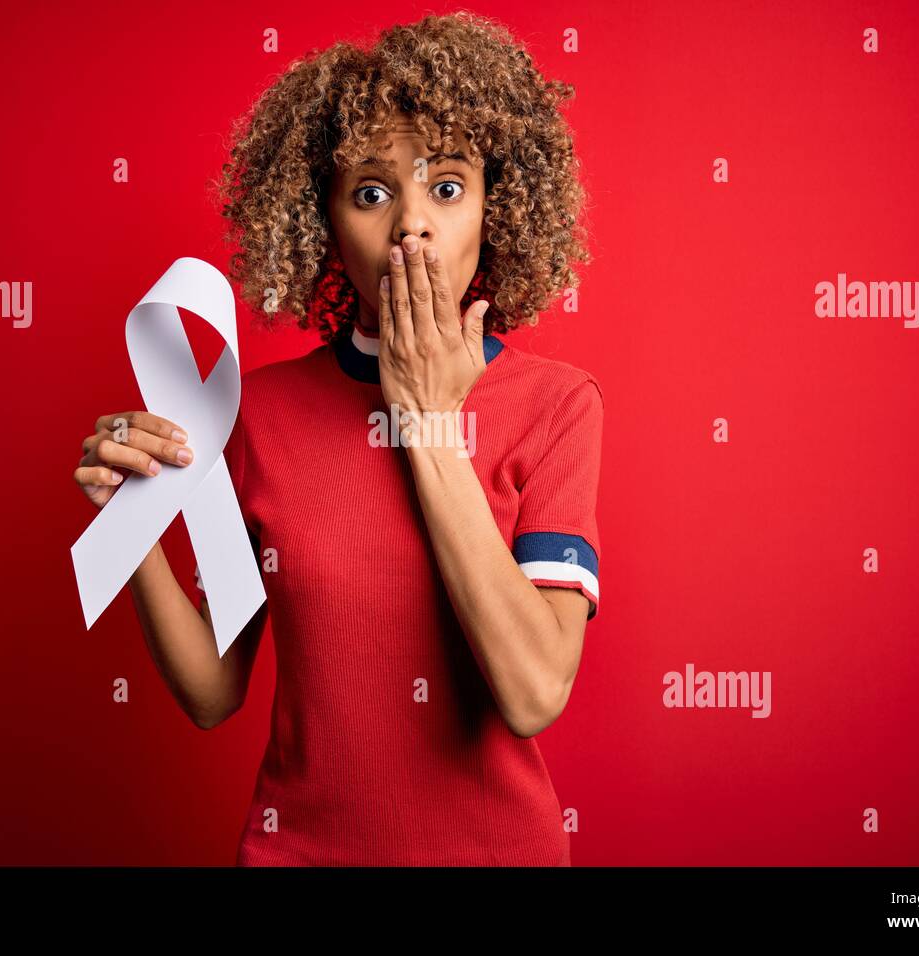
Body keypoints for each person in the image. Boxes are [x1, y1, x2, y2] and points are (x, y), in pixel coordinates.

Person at [73, 12, 602, 866]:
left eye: (447, 186)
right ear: (322, 224)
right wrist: (133, 526)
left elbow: (534, 690)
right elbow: (214, 693)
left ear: (494, 209)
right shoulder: (262, 414)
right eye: (370, 191)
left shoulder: (558, 406)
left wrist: (426, 419)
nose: (411, 228)